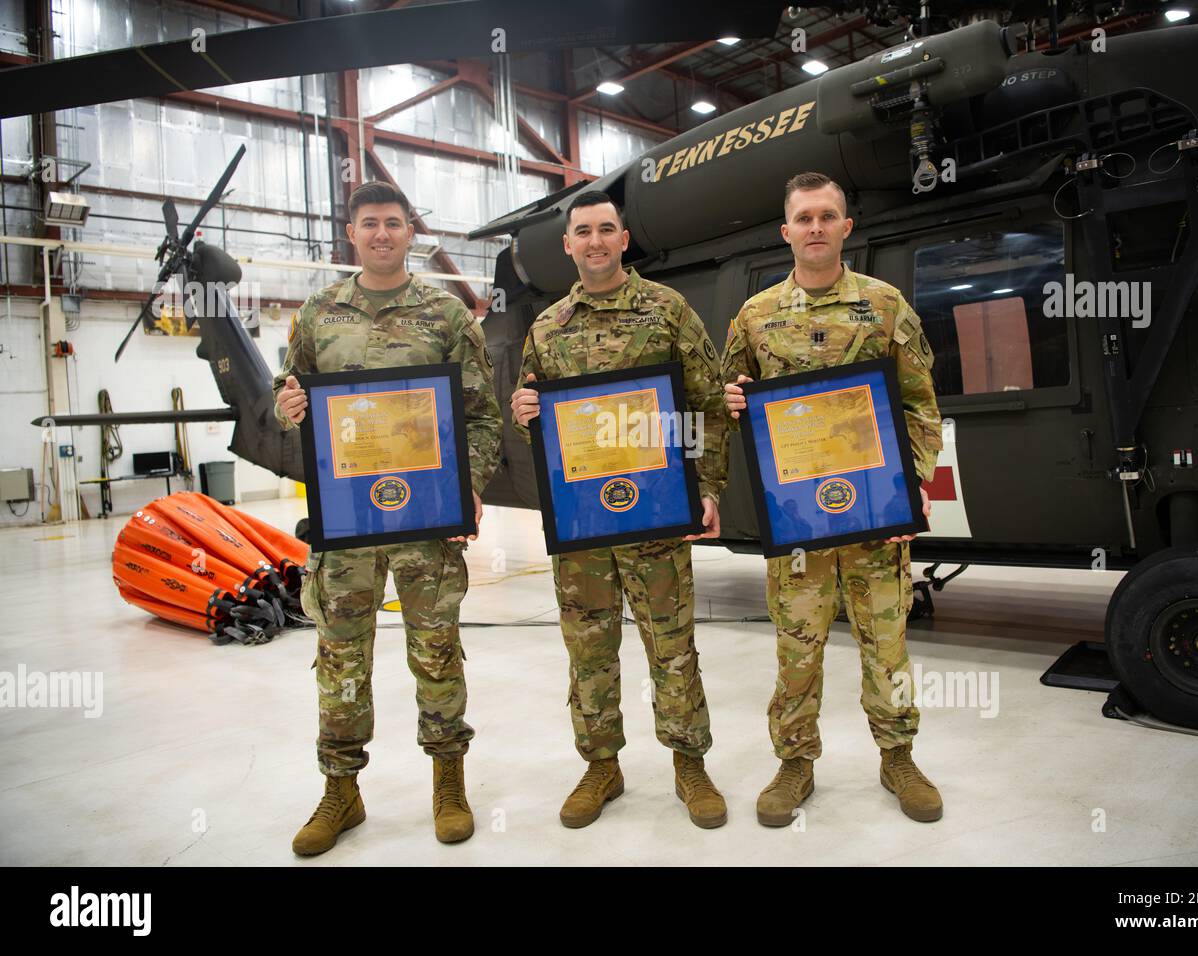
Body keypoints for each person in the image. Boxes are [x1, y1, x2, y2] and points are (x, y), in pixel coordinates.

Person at [273, 181, 502, 854]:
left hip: (427, 520)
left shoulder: (445, 313)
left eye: (394, 224)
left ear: (410, 233)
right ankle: (340, 790)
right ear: (352, 233)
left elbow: (481, 416)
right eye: (369, 223)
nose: (381, 234)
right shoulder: (317, 314)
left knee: (437, 653)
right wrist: (285, 412)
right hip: (345, 525)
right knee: (340, 657)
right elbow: (291, 402)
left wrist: (470, 487)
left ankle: (449, 778)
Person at [719, 171, 945, 826]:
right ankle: (795, 762)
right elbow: (729, 396)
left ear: (846, 227)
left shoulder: (884, 305)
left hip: (876, 508)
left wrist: (915, 485)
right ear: (785, 231)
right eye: (804, 217)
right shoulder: (755, 317)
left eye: (828, 215)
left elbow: (920, 405)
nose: (815, 227)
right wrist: (734, 402)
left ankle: (898, 754)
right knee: (798, 645)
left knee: (888, 641)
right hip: (797, 517)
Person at [508, 191, 730, 829]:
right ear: (569, 245)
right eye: (584, 232)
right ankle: (601, 763)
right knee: (588, 646)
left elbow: (707, 404)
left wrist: (705, 487)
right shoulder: (547, 327)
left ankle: (690, 763)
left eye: (607, 229)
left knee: (673, 645)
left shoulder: (667, 311)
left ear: (624, 238)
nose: (596, 241)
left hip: (657, 514)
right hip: (585, 521)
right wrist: (528, 418)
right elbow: (539, 423)